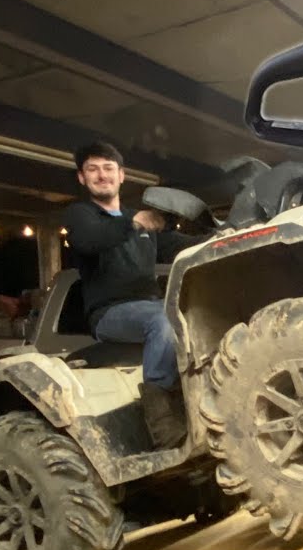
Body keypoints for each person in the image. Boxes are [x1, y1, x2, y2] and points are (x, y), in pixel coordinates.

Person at [62, 141, 204, 448]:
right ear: (82, 178)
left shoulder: (139, 221)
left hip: (149, 307)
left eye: (108, 169)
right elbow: (89, 240)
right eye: (93, 170)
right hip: (110, 313)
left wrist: (224, 235)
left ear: (121, 175)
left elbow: (180, 243)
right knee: (163, 318)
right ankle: (161, 422)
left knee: (195, 315)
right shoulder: (81, 215)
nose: (102, 175)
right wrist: (132, 223)